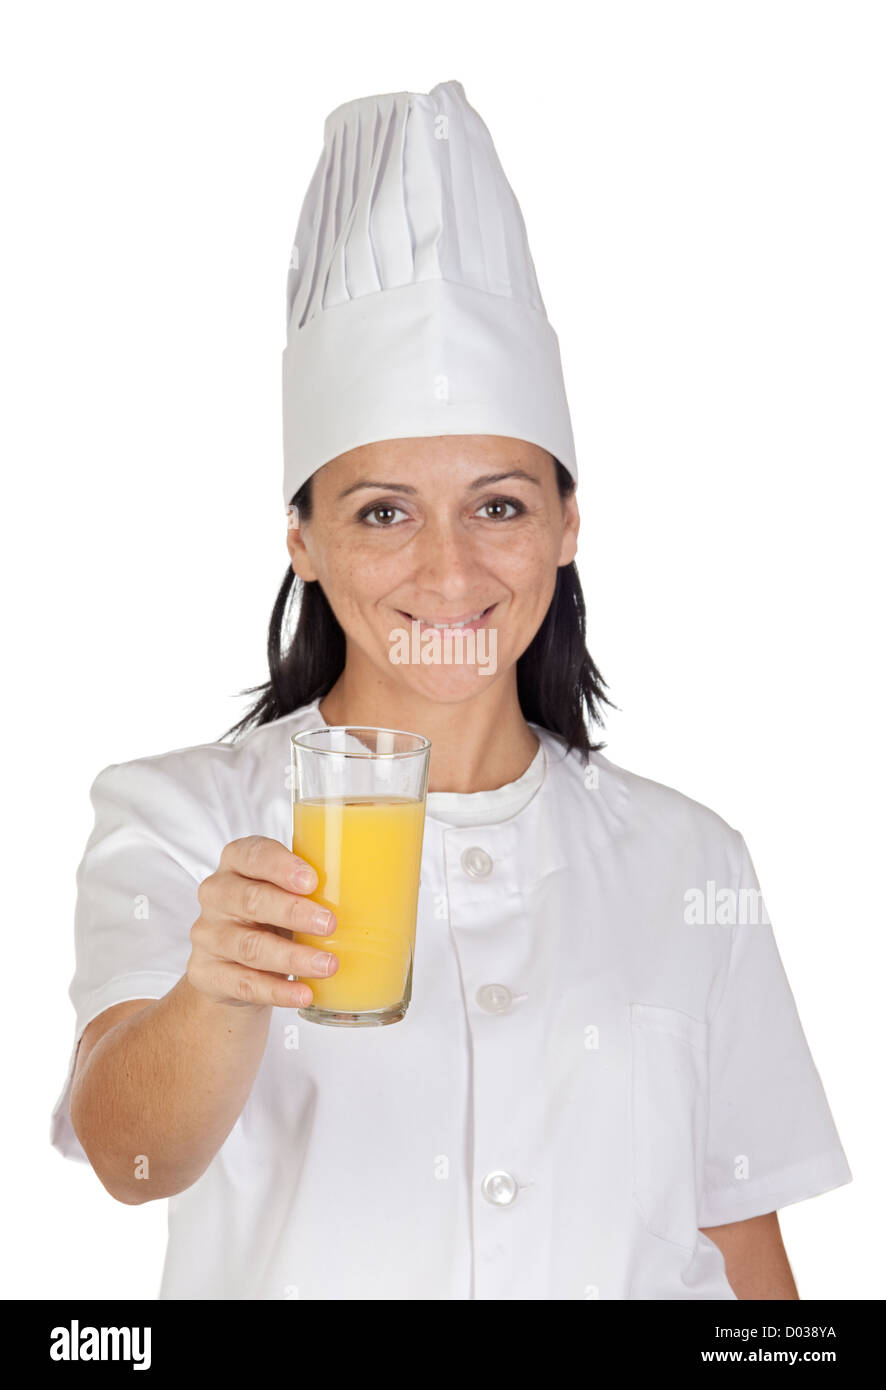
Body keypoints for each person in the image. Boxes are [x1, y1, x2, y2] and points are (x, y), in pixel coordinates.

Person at [50, 80, 851, 1301]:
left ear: (568, 523)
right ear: (301, 540)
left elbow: (742, 1246)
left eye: (499, 505)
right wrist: (217, 989)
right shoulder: (183, 820)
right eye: (382, 512)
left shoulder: (693, 858)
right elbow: (132, 1156)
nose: (449, 571)